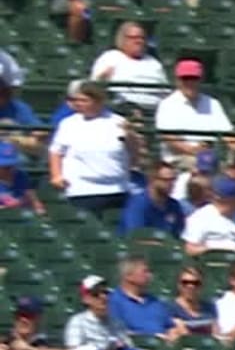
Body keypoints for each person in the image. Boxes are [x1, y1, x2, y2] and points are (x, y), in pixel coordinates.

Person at [49, 81, 139, 218]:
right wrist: (56, 175)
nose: (79, 104)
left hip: (117, 189)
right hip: (82, 190)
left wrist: (130, 136)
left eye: (84, 100)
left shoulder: (118, 122)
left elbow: (133, 152)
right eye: (77, 100)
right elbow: (56, 151)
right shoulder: (68, 124)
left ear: (99, 101)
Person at [91, 21, 170, 113]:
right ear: (122, 40)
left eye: (142, 38)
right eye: (133, 38)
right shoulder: (110, 57)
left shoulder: (154, 63)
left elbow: (165, 90)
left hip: (153, 109)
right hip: (121, 109)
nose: (139, 41)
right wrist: (102, 78)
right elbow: (95, 85)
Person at [120, 160, 186, 238]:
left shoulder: (174, 205)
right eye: (166, 180)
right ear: (152, 180)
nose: (172, 184)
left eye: (173, 179)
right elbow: (135, 236)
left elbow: (179, 233)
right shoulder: (138, 205)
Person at [167, 264, 219, 336]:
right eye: (185, 282)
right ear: (179, 285)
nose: (190, 286)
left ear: (202, 286)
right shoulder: (169, 308)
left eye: (196, 283)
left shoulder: (209, 308)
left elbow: (216, 333)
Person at [0, 141, 46, 215]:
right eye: (6, 167)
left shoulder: (21, 176)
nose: (11, 169)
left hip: (21, 218)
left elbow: (34, 202)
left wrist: (37, 208)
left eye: (13, 165)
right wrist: (6, 208)